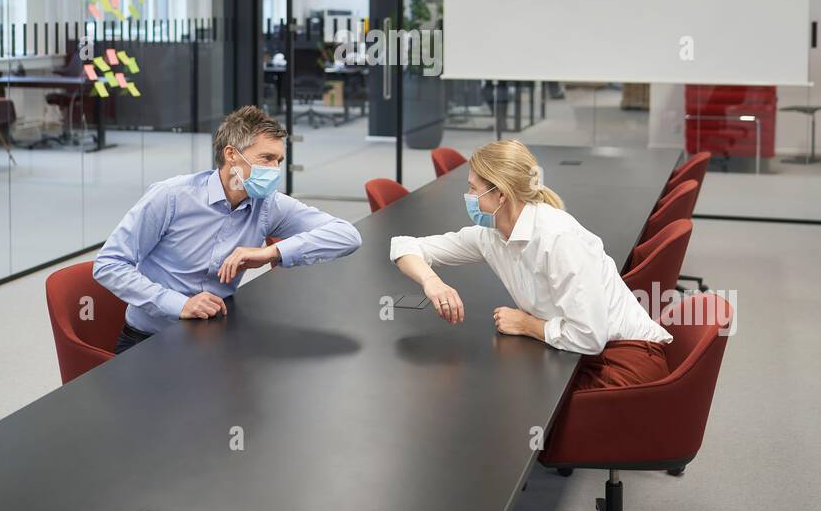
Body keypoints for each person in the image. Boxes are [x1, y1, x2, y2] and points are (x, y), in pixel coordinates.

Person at [389, 139, 672, 390]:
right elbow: (404, 246)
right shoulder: (492, 235)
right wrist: (432, 282)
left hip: (627, 366)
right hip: (582, 356)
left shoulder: (557, 238)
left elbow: (589, 337)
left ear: (501, 195)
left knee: (502, 403)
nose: (468, 197)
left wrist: (527, 324)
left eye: (472, 188)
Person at [94, 105, 362, 354]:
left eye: (279, 160)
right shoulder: (172, 197)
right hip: (149, 342)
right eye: (266, 158)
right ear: (231, 155)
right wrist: (180, 304)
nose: (275, 170)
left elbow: (347, 235)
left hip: (213, 336)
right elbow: (109, 264)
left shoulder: (266, 205)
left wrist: (271, 253)